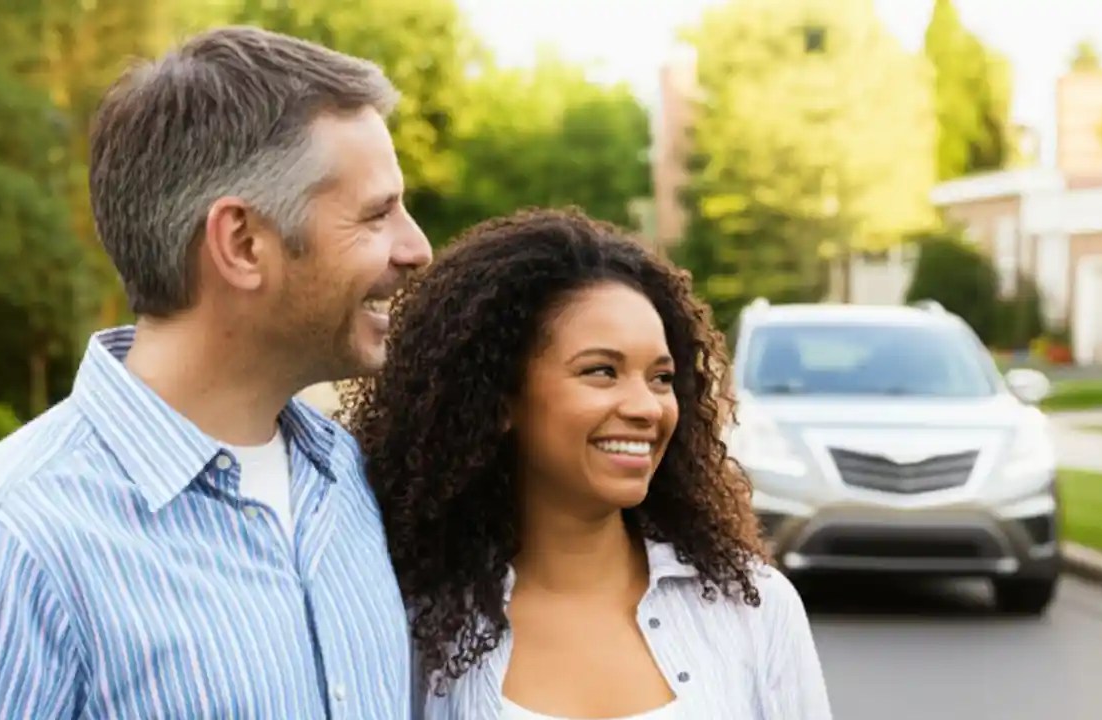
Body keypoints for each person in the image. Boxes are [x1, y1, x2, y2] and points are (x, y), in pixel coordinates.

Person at [0, 26, 431, 718]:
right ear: (242, 243)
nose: (418, 248)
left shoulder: (351, 481)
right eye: (377, 214)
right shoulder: (3, 544)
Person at [344, 208, 833, 719]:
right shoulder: (412, 620)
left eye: (661, 378)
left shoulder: (752, 607)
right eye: (601, 371)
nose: (646, 406)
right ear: (500, 398)